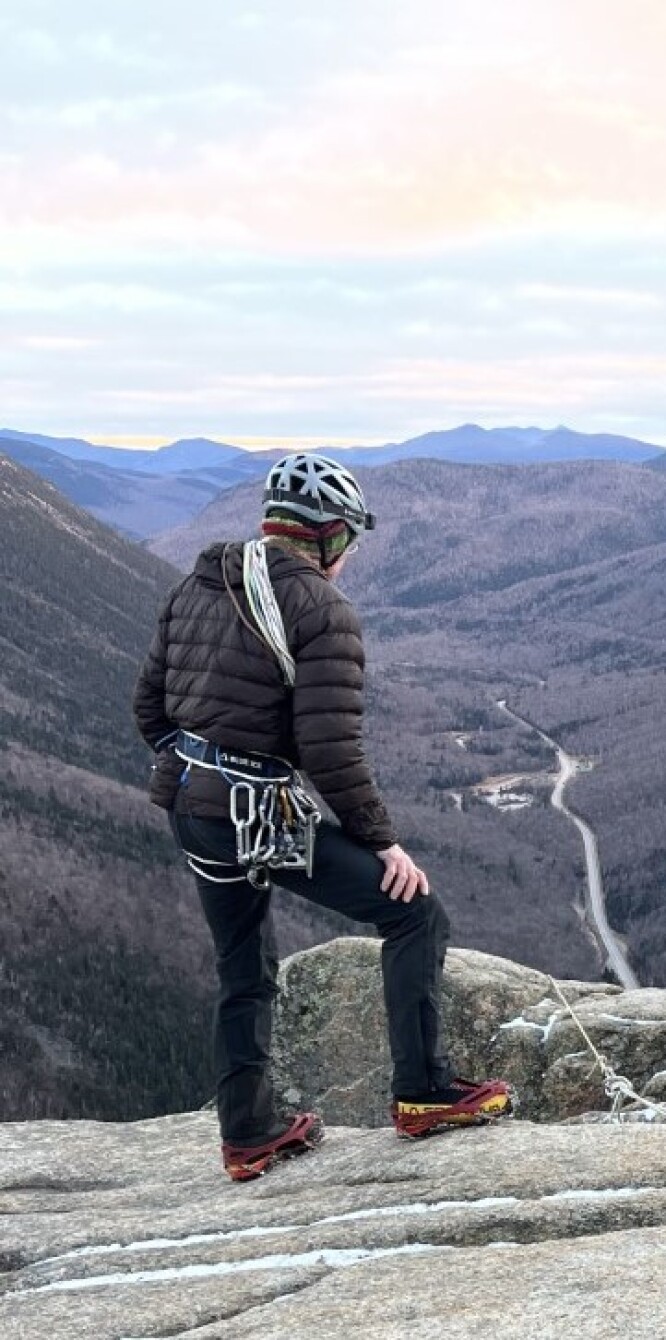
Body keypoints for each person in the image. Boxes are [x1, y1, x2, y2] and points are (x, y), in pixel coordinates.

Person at [132, 452, 510, 1182]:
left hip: (192, 808)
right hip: (253, 812)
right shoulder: (323, 609)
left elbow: (149, 709)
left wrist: (206, 774)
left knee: (243, 969)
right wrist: (384, 843)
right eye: (350, 541)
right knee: (414, 913)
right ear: (329, 536)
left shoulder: (196, 585)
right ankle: (424, 1092)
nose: (352, 556)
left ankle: (248, 1133)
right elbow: (331, 749)